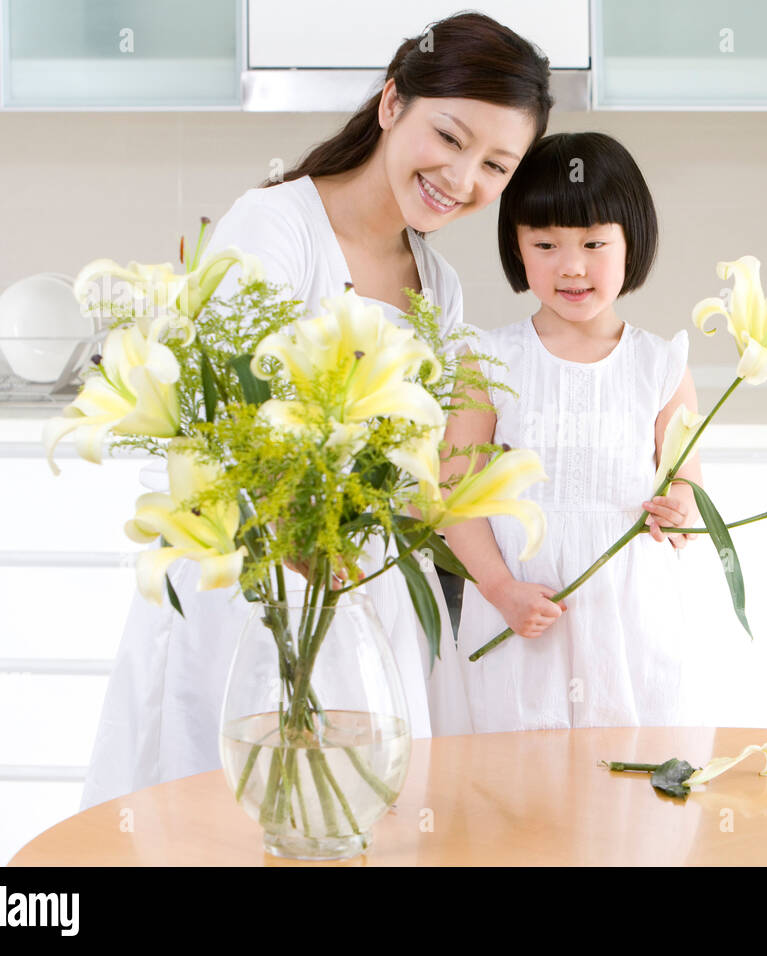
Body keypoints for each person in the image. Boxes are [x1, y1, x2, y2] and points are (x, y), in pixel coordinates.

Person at [79, 12, 553, 810]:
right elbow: (214, 425)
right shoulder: (278, 224)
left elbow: (422, 467)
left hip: (365, 594)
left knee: (355, 815)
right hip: (254, 584)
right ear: (392, 103)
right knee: (227, 812)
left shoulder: (440, 286)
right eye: (450, 135)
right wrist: (299, 545)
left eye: (496, 165)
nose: (463, 177)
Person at [439, 132, 703, 733]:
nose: (572, 265)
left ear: (631, 243)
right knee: (516, 780)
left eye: (593, 242)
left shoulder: (660, 365)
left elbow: (684, 474)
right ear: (518, 248)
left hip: (630, 608)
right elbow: (454, 494)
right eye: (546, 243)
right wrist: (501, 588)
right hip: (521, 610)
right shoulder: (488, 359)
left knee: (631, 768)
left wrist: (681, 507)